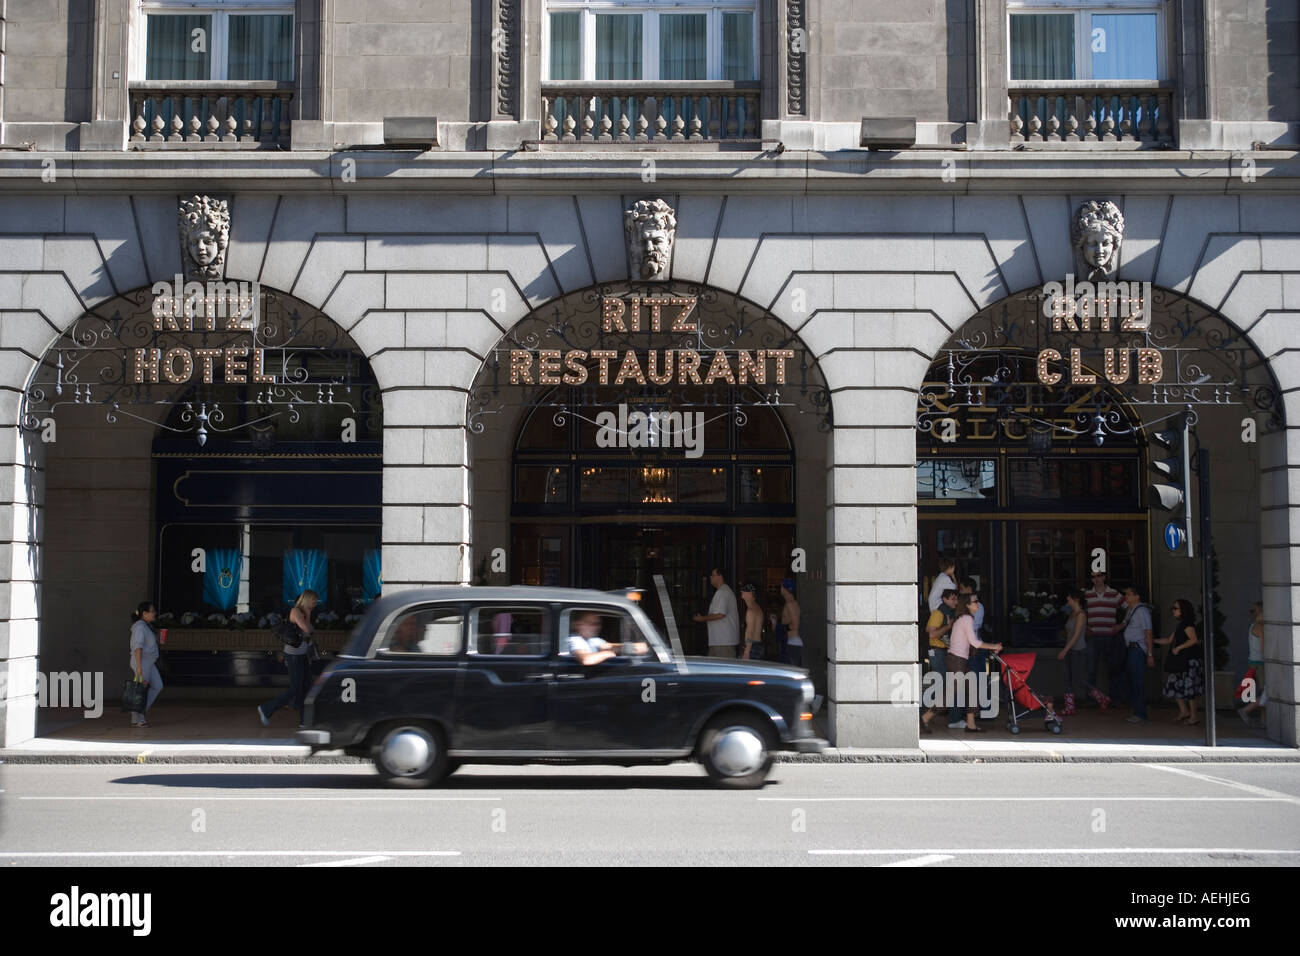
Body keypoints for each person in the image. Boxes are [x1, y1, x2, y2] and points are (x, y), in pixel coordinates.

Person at [258, 589, 318, 728]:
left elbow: (309, 635)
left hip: (302, 655)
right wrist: (308, 614)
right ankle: (266, 709)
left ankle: (305, 721)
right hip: (293, 656)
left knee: (307, 688)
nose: (315, 604)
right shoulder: (296, 611)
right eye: (313, 601)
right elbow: (306, 630)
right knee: (296, 688)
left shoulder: (305, 613)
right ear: (307, 600)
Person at [946, 593, 1002, 732]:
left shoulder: (964, 618)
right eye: (974, 601)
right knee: (950, 693)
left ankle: (970, 724)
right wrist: (993, 646)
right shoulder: (966, 619)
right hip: (957, 660)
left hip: (959, 659)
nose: (977, 603)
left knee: (972, 689)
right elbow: (975, 642)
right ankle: (925, 718)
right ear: (967, 605)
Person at [1154, 598, 1204, 724]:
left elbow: (1193, 639)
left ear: (1183, 611)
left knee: (1190, 689)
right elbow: (1169, 640)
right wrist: (1152, 640)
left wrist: (1179, 648)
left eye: (1176, 608)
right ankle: (1184, 711)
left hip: (1189, 662)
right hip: (1181, 662)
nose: (1173, 610)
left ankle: (1194, 716)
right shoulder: (1180, 625)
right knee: (1173, 685)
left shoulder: (1187, 624)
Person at [919, 589, 959, 732]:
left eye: (956, 599)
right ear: (944, 599)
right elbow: (932, 633)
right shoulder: (939, 613)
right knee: (940, 684)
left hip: (943, 651)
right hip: (937, 651)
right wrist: (948, 626)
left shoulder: (948, 613)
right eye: (952, 599)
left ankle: (925, 713)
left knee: (941, 684)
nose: (955, 602)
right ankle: (923, 713)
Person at [1083, 571, 1121, 708]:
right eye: (1093, 576)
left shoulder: (1114, 593)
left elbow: (1130, 608)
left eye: (1099, 576)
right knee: (1091, 668)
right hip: (1093, 636)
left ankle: (1114, 699)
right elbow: (1082, 612)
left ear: (1104, 577)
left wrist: (1121, 625)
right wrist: (1085, 627)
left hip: (1110, 636)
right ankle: (1092, 699)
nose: (1096, 579)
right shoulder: (1087, 595)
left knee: (1113, 668)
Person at [1119, 585, 1155, 723]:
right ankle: (1138, 709)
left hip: (1137, 649)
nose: (1126, 597)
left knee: (1137, 681)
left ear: (1136, 596)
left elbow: (1148, 633)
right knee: (1132, 680)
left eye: (1128, 594)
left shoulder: (1142, 612)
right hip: (1131, 648)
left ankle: (1141, 713)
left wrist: (1150, 654)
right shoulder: (1130, 610)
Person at [128, 601, 163, 728]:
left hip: (147, 661)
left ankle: (135, 716)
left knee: (157, 685)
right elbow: (138, 647)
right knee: (142, 689)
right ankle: (140, 718)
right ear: (145, 614)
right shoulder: (140, 627)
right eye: (152, 611)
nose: (154, 613)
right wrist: (139, 666)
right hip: (142, 661)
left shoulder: (145, 626)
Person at [567, 610, 647, 664]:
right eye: (593, 624)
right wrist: (607, 654)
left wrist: (633, 647)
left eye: (598, 624)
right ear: (579, 625)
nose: (597, 627)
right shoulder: (574, 639)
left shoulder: (593, 640)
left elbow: (608, 646)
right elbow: (586, 659)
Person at [694, 567, 739, 659]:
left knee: (725, 670)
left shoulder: (723, 592)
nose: (710, 577)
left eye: (712, 575)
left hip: (723, 641)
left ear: (720, 577)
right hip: (719, 640)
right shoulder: (722, 592)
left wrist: (702, 618)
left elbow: (720, 614)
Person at [1057, 590, 1088, 716]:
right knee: (1067, 678)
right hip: (1070, 649)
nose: (1067, 601)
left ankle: (1099, 696)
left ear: (1076, 600)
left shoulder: (1081, 615)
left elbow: (1076, 636)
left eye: (1069, 598)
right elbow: (1069, 632)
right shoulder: (1072, 614)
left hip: (1078, 650)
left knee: (1077, 679)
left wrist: (1065, 650)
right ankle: (1070, 706)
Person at [1239, 601, 1267, 726]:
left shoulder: (1252, 626)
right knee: (1266, 692)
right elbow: (1263, 648)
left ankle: (1263, 720)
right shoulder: (1260, 627)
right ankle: (1246, 710)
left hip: (1253, 662)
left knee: (1263, 691)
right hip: (1260, 663)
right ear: (1261, 613)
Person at [779, 578, 802, 667]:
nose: (780, 588)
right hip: (790, 642)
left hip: (792, 643)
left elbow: (795, 625)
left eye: (781, 586)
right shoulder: (791, 603)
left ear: (786, 589)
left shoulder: (790, 604)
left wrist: (783, 628)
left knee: (791, 672)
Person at [739, 584, 764, 660]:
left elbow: (750, 631)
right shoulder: (757, 607)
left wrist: (746, 652)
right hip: (757, 645)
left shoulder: (751, 611)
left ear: (750, 593)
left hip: (752, 647)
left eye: (744, 590)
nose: (741, 591)